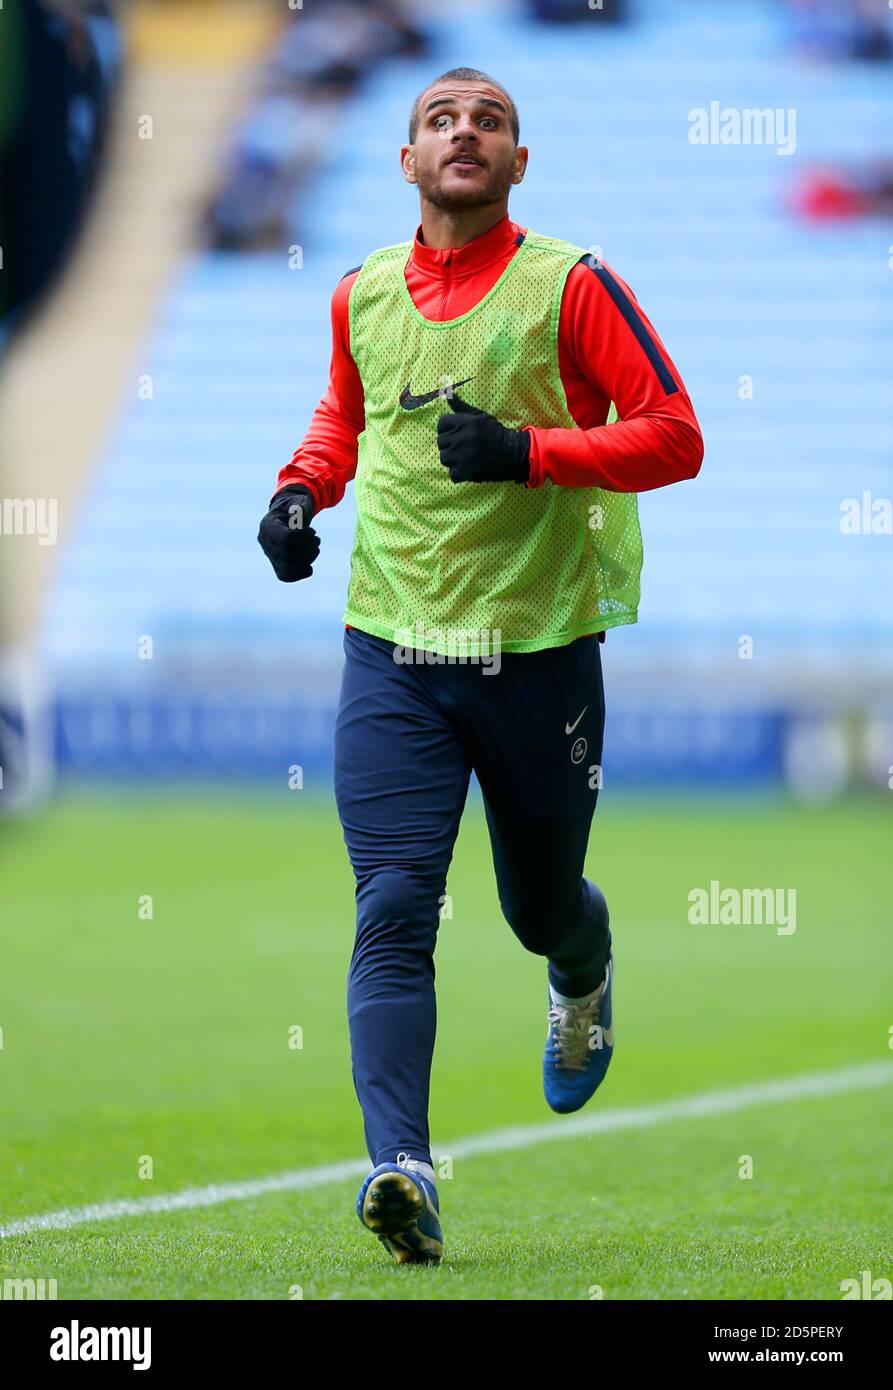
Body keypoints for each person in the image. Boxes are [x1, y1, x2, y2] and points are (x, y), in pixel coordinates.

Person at [258, 67, 703, 1265]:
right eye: (440, 120)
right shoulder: (356, 293)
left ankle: (580, 963)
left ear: (516, 163)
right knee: (393, 905)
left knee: (534, 907)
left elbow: (674, 434)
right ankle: (399, 1163)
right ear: (406, 163)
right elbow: (344, 419)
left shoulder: (571, 284)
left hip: (538, 654)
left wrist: (529, 450)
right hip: (393, 648)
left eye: (489, 120)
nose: (464, 130)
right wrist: (300, 490)